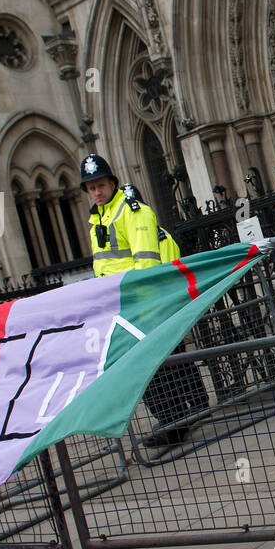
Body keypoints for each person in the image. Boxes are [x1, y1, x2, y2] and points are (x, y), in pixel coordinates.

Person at [82, 162, 204, 447]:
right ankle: (173, 419)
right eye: (91, 187)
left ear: (112, 183)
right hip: (121, 307)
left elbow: (146, 262)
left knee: (154, 365)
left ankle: (175, 420)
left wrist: (140, 306)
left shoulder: (131, 211)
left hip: (141, 306)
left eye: (100, 185)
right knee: (153, 366)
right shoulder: (98, 220)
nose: (96, 192)